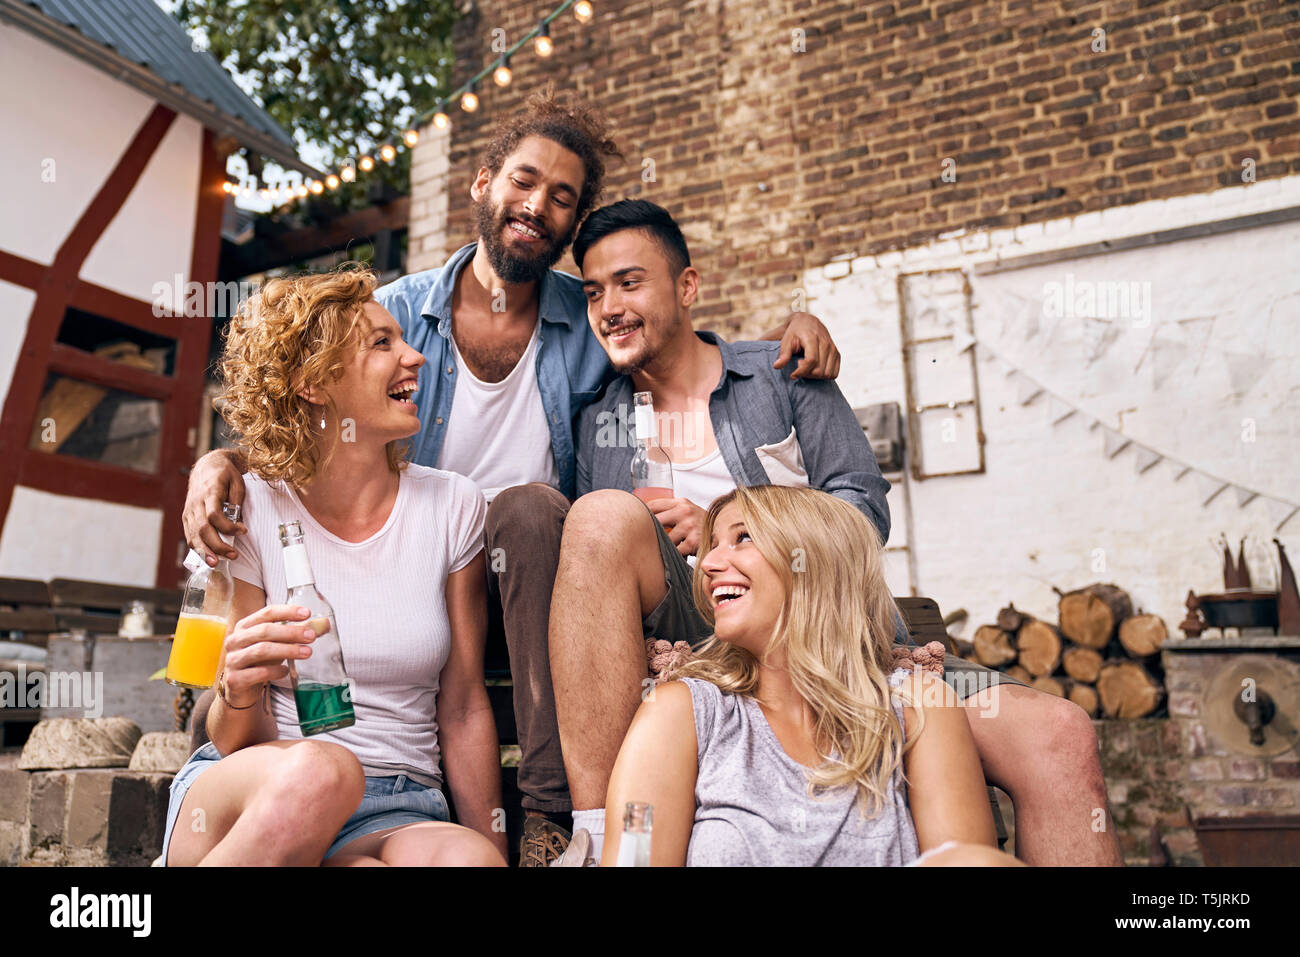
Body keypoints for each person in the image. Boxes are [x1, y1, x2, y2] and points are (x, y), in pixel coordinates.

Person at [182, 88, 845, 865]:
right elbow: (300, 404)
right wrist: (221, 460)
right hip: (409, 579)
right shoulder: (395, 313)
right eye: (524, 181)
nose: (537, 206)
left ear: (570, 227)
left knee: (527, 510)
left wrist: (777, 342)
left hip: (539, 580)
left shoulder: (590, 317)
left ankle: (547, 814)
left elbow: (673, 343)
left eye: (562, 199)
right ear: (483, 183)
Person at [547, 199, 1121, 866]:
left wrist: (729, 531)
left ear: (688, 285)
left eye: (629, 281)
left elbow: (862, 512)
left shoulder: (781, 372)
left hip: (841, 638)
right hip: (701, 637)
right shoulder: (600, 423)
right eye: (593, 292)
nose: (608, 305)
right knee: (598, 516)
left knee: (1058, 729)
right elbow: (599, 571)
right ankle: (593, 841)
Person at [162, 268, 505, 866]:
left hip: (400, 806)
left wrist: (491, 842)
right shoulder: (250, 506)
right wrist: (238, 688)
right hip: (262, 789)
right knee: (326, 770)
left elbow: (464, 702)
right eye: (382, 343)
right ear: (313, 382)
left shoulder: (453, 505)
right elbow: (232, 737)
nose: (415, 357)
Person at [602, 485, 1025, 866]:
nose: (709, 563)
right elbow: (633, 860)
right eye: (712, 546)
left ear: (814, 562)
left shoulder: (919, 704)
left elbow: (964, 860)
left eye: (743, 537)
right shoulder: (681, 711)